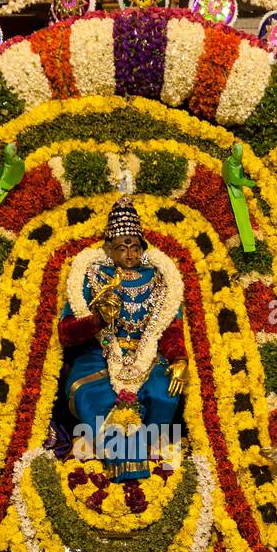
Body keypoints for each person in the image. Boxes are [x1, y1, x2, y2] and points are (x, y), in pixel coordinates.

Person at [57, 198, 187, 481]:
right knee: (92, 395)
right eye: (121, 246)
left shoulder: (160, 277)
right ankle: (123, 473)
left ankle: (155, 458)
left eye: (134, 245)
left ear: (143, 248)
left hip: (148, 354)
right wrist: (98, 319)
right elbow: (66, 332)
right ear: (109, 249)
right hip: (98, 354)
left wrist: (179, 359)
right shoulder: (92, 275)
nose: (129, 252)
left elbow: (170, 327)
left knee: (164, 392)